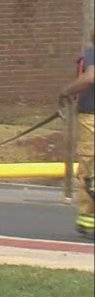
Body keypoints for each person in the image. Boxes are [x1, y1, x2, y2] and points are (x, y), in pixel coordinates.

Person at [60, 28, 95, 240]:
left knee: (89, 170)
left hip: (91, 118)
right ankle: (87, 220)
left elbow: (90, 77)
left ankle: (88, 220)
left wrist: (65, 91)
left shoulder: (93, 52)